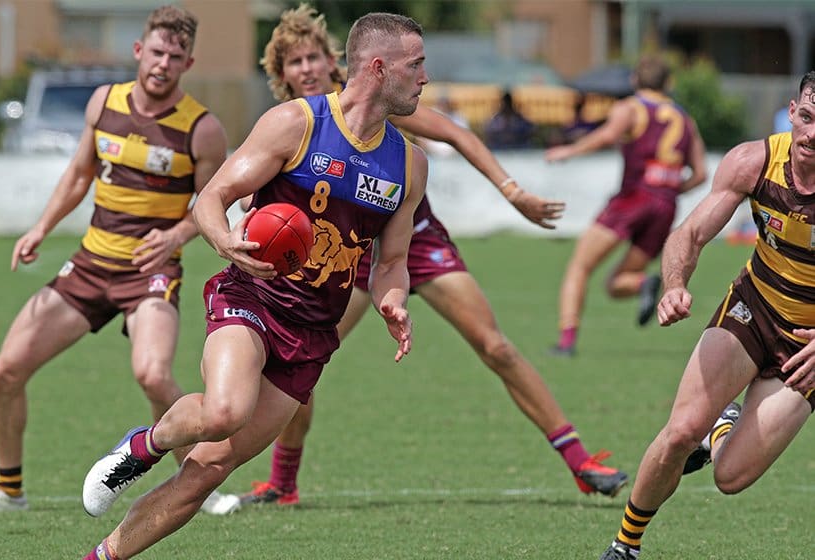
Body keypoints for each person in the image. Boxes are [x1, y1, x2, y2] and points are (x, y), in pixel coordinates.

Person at [203, 3, 627, 516]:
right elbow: (248, 194)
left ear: (337, 60)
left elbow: (454, 132)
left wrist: (511, 190)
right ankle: (283, 480)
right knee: (301, 352)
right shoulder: (291, 124)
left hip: (413, 240)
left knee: (494, 344)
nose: (308, 69)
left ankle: (580, 459)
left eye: (314, 57)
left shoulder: (378, 95)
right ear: (281, 74)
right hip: (346, 260)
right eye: (294, 63)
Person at [79, 12, 429, 559]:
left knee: (207, 470)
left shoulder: (409, 164)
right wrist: (223, 241)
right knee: (224, 411)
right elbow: (212, 198)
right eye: (416, 64)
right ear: (380, 68)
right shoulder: (297, 124)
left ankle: (101, 556)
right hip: (251, 297)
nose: (425, 77)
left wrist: (393, 299)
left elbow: (393, 261)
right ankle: (142, 446)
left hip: (313, 334)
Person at [0, 5, 227, 514]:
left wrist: (174, 237)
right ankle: (9, 491)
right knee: (6, 370)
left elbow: (211, 204)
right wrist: (41, 227)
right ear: (138, 51)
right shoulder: (104, 102)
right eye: (156, 52)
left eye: (175, 57)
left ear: (188, 64)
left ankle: (201, 487)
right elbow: (80, 173)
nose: (162, 64)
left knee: (153, 375)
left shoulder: (202, 129)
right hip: (89, 265)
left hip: (151, 271)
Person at [597, 70, 815, 560]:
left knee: (729, 477)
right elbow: (690, 234)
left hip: (807, 348)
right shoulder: (754, 161)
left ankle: (723, 427)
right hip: (752, 310)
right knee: (678, 433)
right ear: (792, 110)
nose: (811, 134)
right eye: (806, 117)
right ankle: (625, 545)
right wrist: (674, 285)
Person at [545, 55, 707, 357]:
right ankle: (646, 283)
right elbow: (700, 175)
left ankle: (566, 342)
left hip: (634, 198)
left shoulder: (630, 107)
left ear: (634, 80)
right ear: (668, 84)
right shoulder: (686, 119)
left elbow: (608, 134)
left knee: (580, 266)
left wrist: (569, 150)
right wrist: (669, 189)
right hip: (665, 206)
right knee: (616, 284)